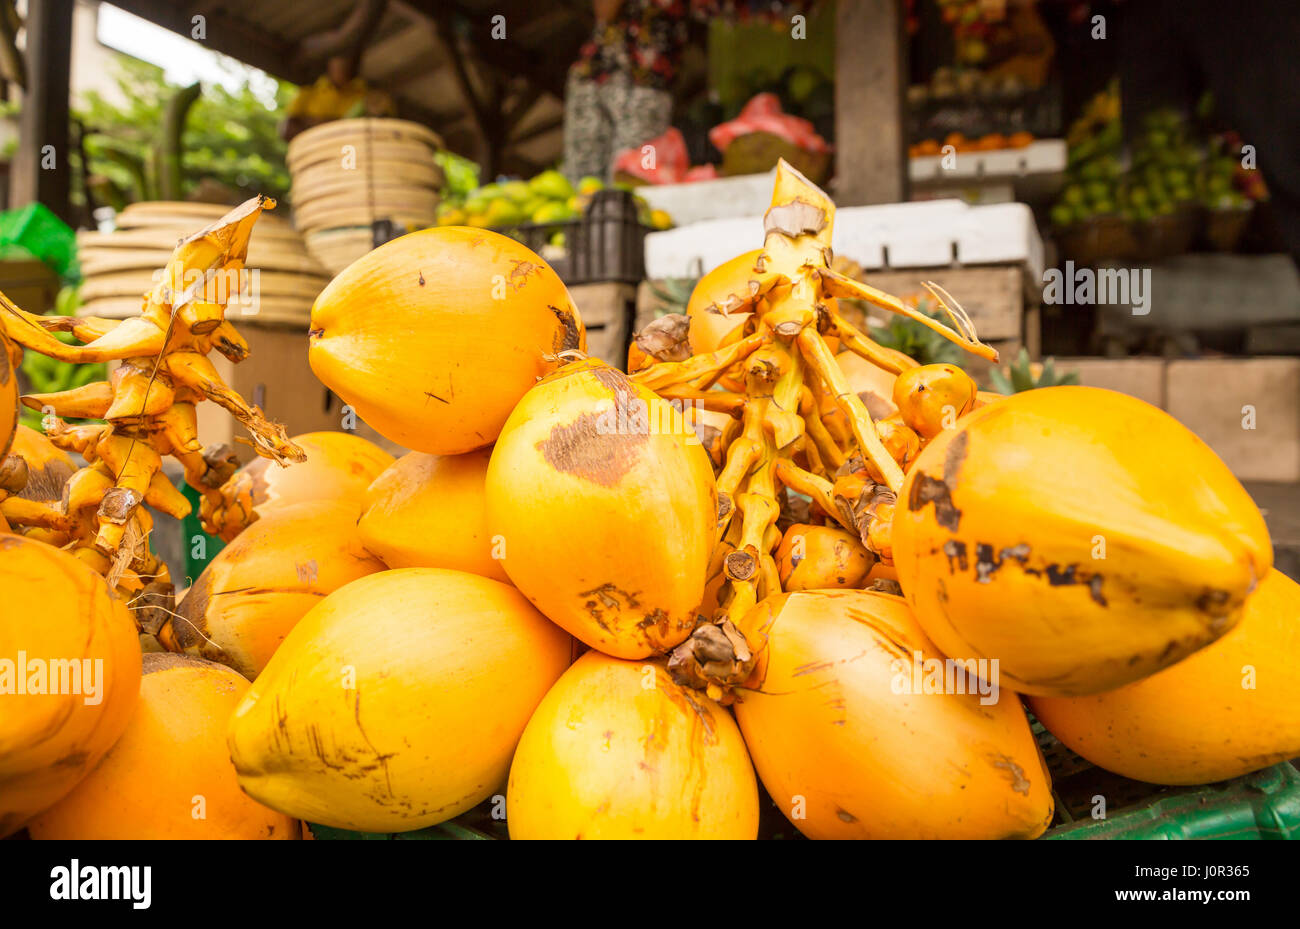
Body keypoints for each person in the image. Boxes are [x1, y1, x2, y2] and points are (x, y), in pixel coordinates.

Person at [563, 0, 701, 183]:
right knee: (583, 176)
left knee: (642, 170)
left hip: (648, 83)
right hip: (601, 75)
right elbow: (604, 11)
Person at [280, 54, 394, 142]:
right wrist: (339, 125)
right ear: (329, 65)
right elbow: (287, 131)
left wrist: (313, 121)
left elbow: (382, 125)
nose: (342, 68)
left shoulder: (364, 96)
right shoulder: (308, 92)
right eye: (338, 63)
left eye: (347, 64)